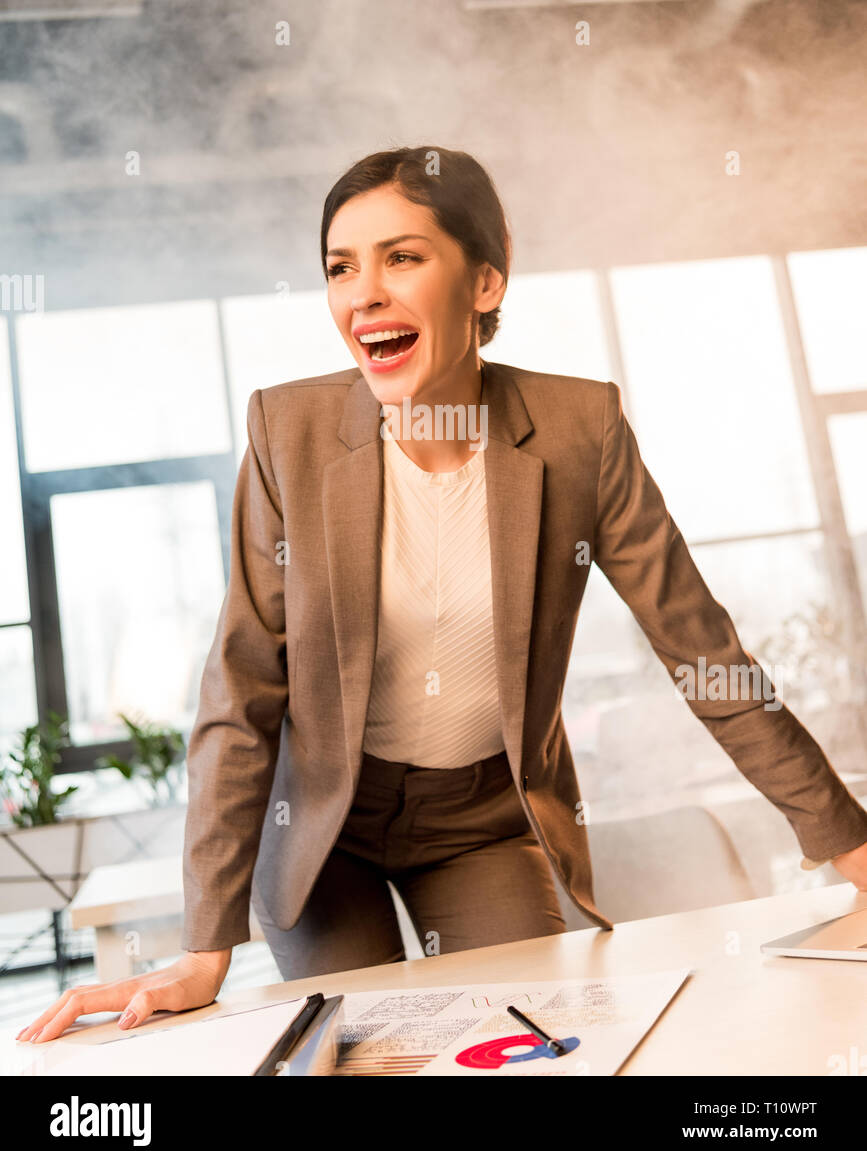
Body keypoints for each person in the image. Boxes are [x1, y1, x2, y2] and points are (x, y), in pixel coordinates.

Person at [18, 145, 867, 1044]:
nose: (363, 294)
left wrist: (850, 846)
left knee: (531, 1046)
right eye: (341, 267)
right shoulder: (287, 432)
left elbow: (703, 655)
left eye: (402, 257)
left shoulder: (581, 430)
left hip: (480, 822)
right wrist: (203, 952)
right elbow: (241, 694)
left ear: (486, 281)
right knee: (378, 1053)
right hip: (322, 834)